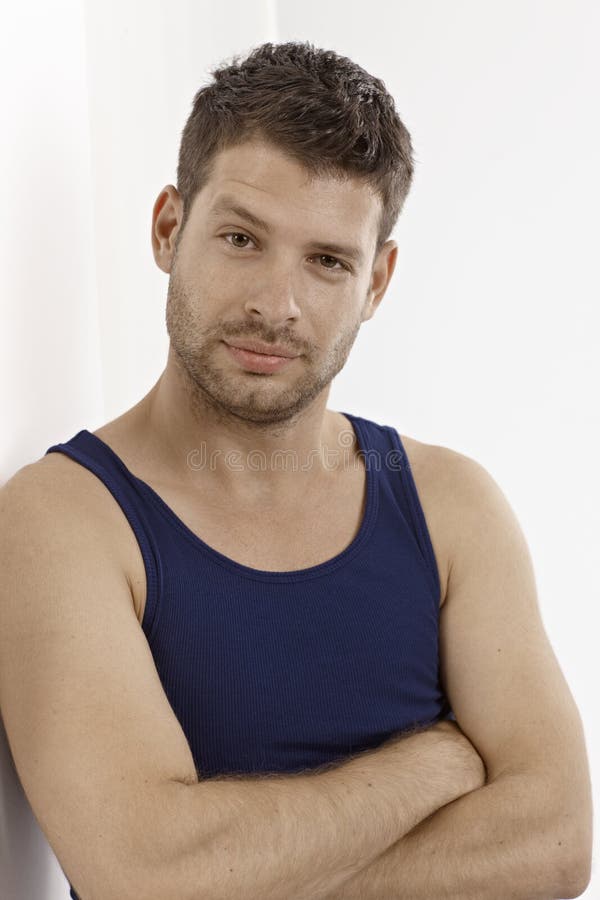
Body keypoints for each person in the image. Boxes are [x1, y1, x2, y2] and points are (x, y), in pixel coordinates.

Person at [0, 40, 592, 900]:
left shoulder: (449, 504)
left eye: (327, 262)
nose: (276, 306)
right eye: (242, 238)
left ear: (377, 282)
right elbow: (148, 878)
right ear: (170, 228)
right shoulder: (64, 519)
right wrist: (431, 766)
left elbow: (558, 843)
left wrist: (251, 873)